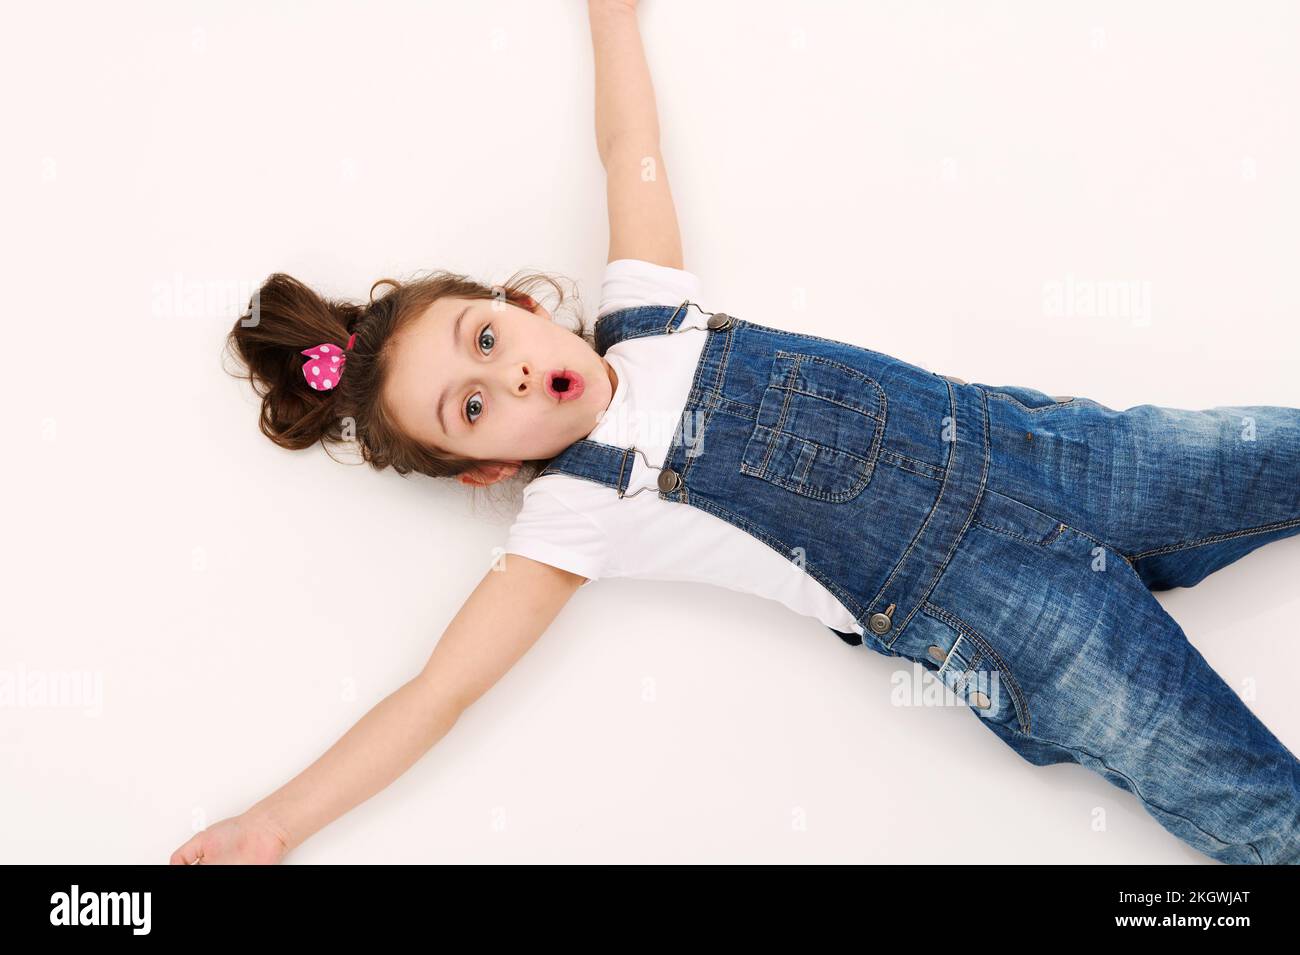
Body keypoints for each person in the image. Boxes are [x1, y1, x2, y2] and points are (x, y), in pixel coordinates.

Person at [174, 0, 1300, 864]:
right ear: (491, 469)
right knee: (1235, 790)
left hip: (1064, 454)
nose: (507, 373)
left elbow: (629, 146)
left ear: (525, 306)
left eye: (483, 338)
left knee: (1268, 448)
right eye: (472, 408)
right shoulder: (571, 518)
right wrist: (273, 824)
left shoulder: (649, 307)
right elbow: (435, 693)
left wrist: (610, 16)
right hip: (1010, 624)